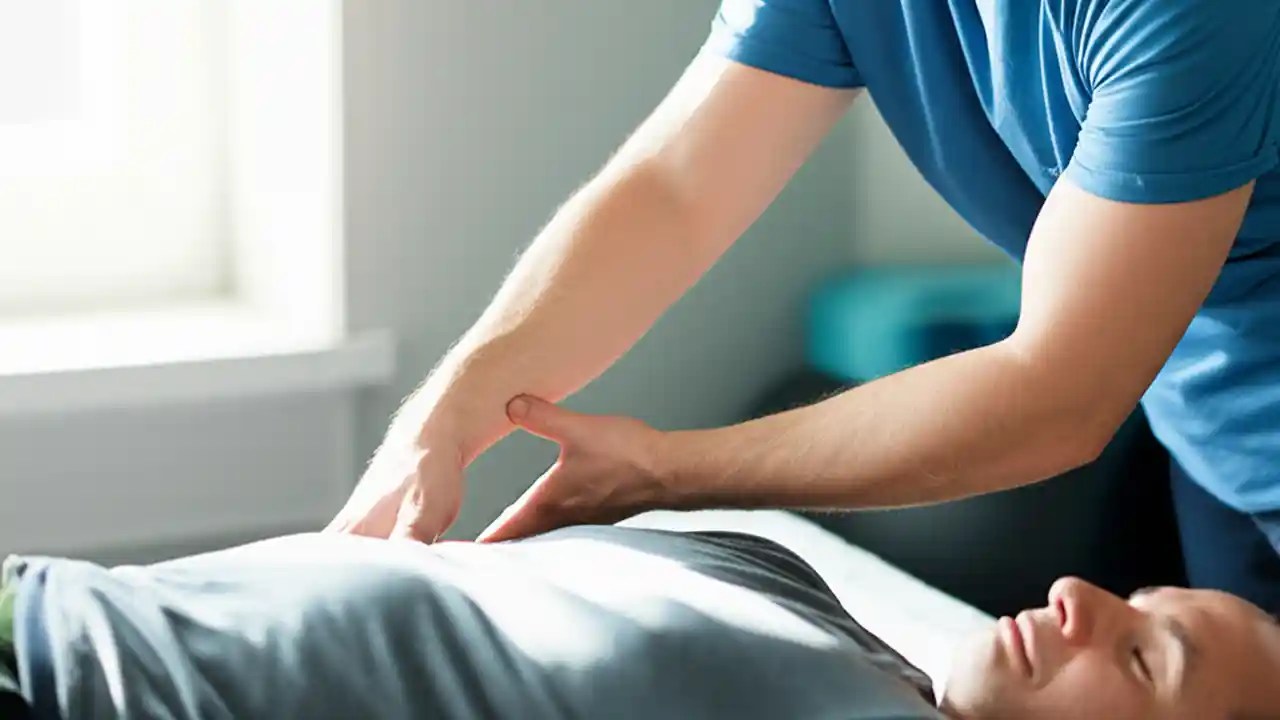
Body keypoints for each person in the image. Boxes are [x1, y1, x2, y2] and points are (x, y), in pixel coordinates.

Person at [327, 0, 1280, 611]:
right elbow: (675, 190)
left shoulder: (1186, 14)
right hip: (1211, 429)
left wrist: (663, 471)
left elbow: (1057, 392)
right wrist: (446, 413)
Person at [1, 524, 1278, 719]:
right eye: (1139, 595)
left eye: (1143, 656)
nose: (1081, 598)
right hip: (54, 601)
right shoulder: (821, 600)